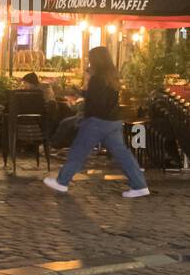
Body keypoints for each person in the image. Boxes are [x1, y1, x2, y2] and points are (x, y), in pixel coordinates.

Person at [45, 46, 149, 198]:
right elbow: (102, 96)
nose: (88, 61)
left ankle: (62, 182)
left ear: (96, 60)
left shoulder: (97, 78)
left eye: (90, 58)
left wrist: (86, 115)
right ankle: (140, 185)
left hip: (97, 121)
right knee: (122, 154)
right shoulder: (112, 76)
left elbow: (96, 101)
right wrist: (81, 92)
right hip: (113, 121)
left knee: (78, 150)